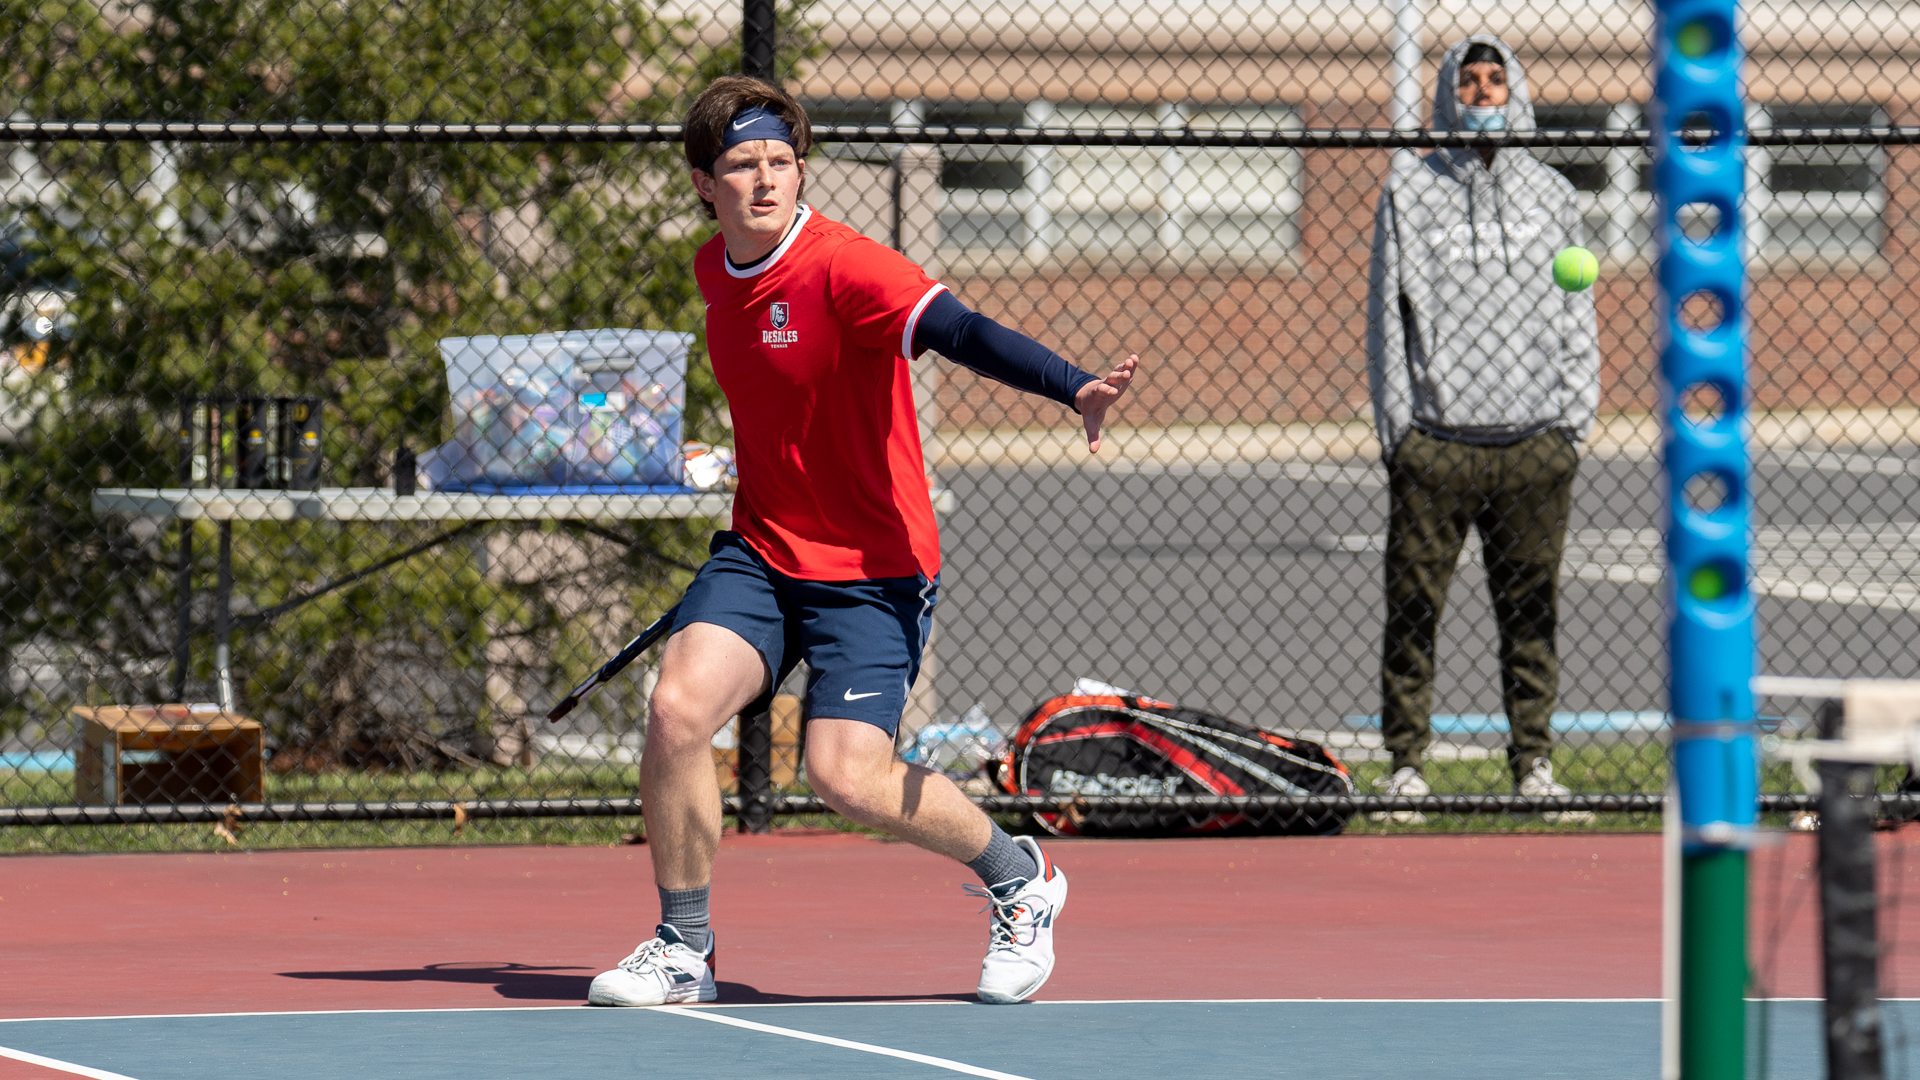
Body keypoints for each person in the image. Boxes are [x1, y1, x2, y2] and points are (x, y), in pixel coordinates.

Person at [587, 76, 1139, 1007]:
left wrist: (1074, 386)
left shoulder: (847, 265)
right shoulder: (712, 271)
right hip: (762, 546)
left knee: (846, 776)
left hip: (871, 567)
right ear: (702, 183)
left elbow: (961, 330)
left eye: (781, 162)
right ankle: (683, 946)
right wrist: (729, 455)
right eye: (743, 166)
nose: (767, 180)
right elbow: (784, 395)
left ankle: (1022, 882)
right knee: (678, 712)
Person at [1364, 36, 1600, 822]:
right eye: (1469, 79)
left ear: (1517, 91)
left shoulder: (1554, 195)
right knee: (1413, 610)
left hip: (1536, 442)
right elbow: (1388, 326)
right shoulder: (1410, 193)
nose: (1483, 88)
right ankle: (1406, 766)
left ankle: (1533, 763)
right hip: (1438, 444)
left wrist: (1573, 422)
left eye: (1496, 78)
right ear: (1448, 93)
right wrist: (1401, 434)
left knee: (1532, 611)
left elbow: (1578, 316)